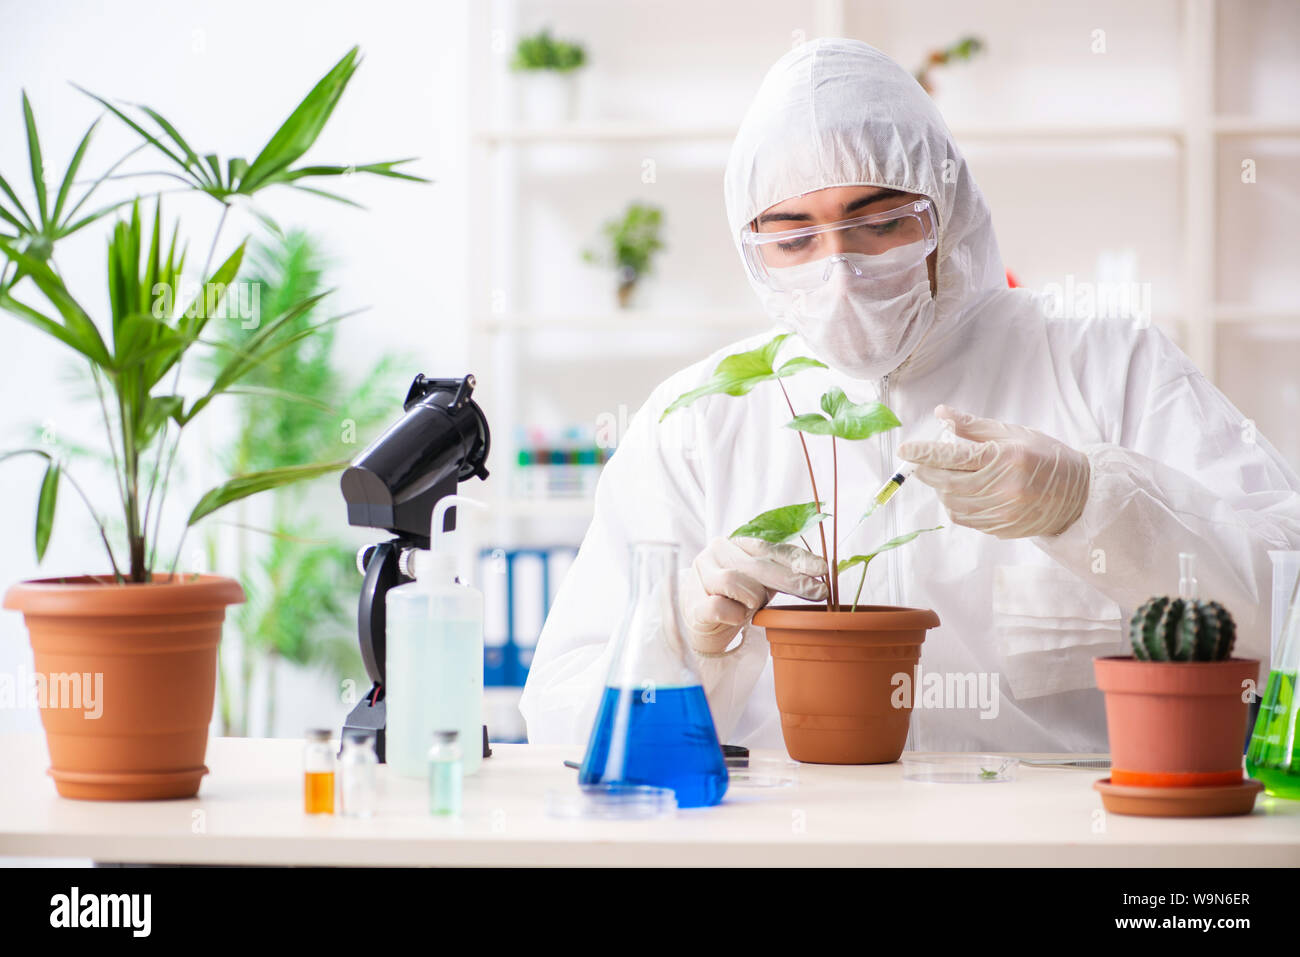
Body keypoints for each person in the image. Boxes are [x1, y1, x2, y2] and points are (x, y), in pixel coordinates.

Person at [518, 38, 1300, 752]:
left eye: (878, 222)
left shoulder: (1104, 361)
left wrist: (1098, 503)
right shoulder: (701, 419)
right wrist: (679, 632)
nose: (839, 269)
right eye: (793, 237)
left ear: (944, 210)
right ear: (753, 251)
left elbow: (1287, 603)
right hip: (793, 846)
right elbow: (558, 715)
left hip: (1064, 840)